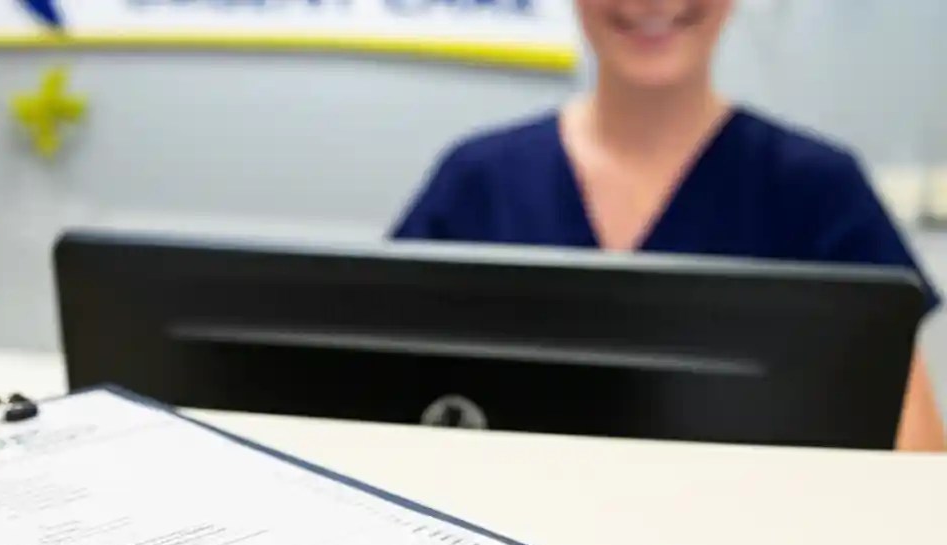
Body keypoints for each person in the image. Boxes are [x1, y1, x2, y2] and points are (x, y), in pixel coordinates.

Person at [393, 0, 945, 451]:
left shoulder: (818, 188)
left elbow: (914, 460)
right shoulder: (477, 180)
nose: (652, 2)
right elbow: (372, 402)